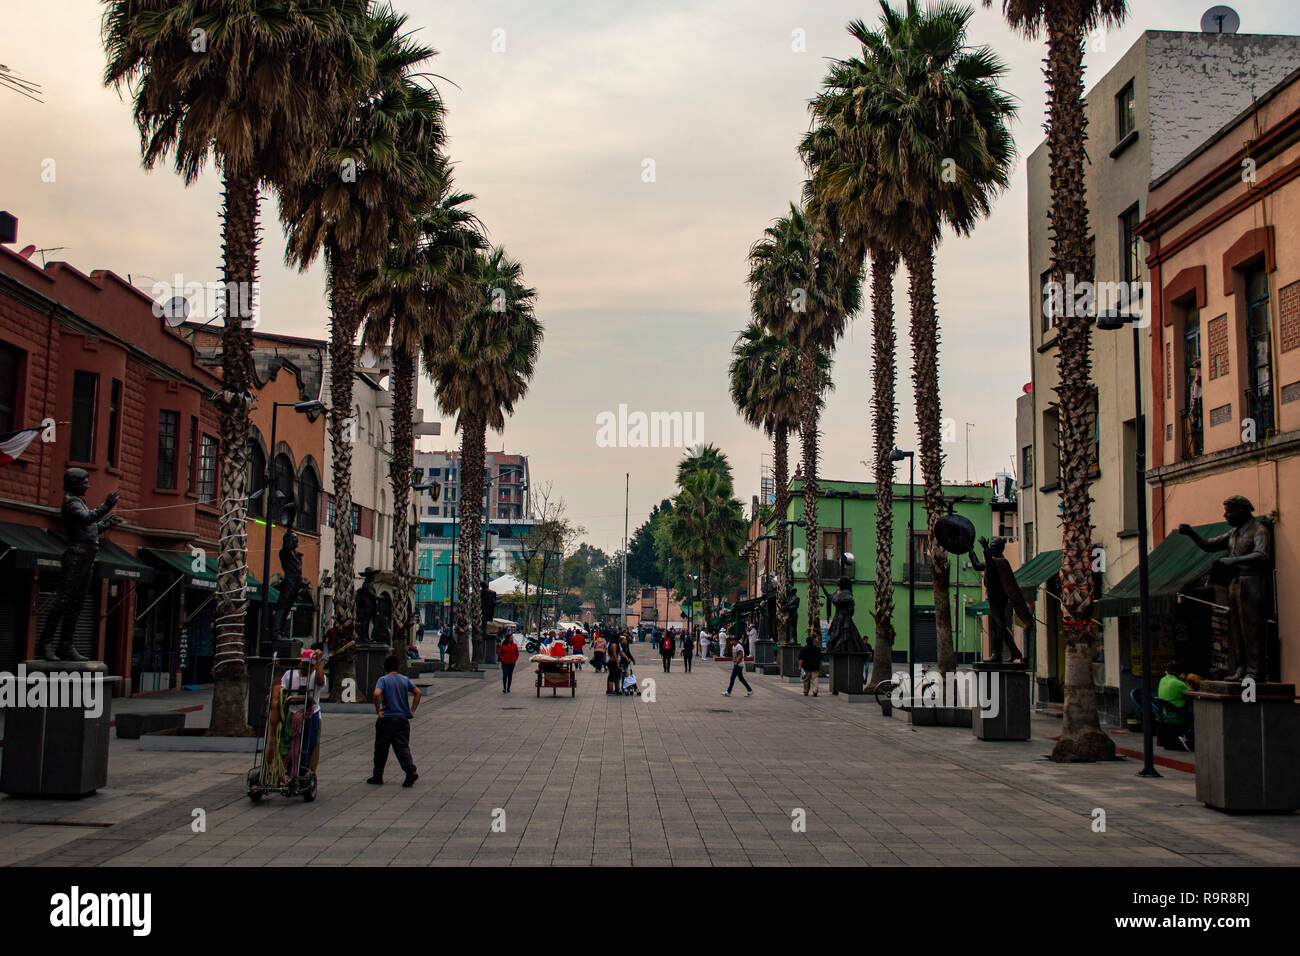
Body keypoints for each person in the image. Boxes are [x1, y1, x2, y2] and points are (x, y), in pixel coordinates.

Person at [368, 655, 421, 787]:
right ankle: (410, 771)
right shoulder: (404, 679)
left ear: (384, 668)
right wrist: (412, 710)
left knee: (381, 748)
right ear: (398, 667)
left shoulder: (383, 680)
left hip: (387, 719)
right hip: (403, 719)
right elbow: (418, 692)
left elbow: (376, 693)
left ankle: (378, 776)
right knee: (402, 747)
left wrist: (378, 710)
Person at [281, 648, 326, 780]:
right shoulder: (290, 675)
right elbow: (281, 690)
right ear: (301, 663)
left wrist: (318, 662)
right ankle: (290, 771)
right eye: (305, 665)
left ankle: (305, 771)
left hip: (311, 714)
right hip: (292, 713)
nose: (307, 668)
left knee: (310, 744)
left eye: (310, 666)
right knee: (290, 745)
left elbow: (321, 682)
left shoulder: (316, 675)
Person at [1157, 661, 1194, 750]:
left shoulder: (1162, 680)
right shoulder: (1178, 683)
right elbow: (1193, 693)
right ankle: (1186, 737)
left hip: (1166, 713)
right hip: (1177, 712)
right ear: (1178, 672)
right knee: (1199, 718)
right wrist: (1184, 680)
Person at [722, 632, 752, 697]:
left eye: (732, 640)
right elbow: (735, 655)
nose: (731, 642)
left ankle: (728, 691)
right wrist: (734, 660)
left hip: (739, 665)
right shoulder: (734, 646)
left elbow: (741, 656)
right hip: (737, 664)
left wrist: (736, 663)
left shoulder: (739, 646)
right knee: (741, 678)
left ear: (735, 641)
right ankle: (749, 689)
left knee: (732, 677)